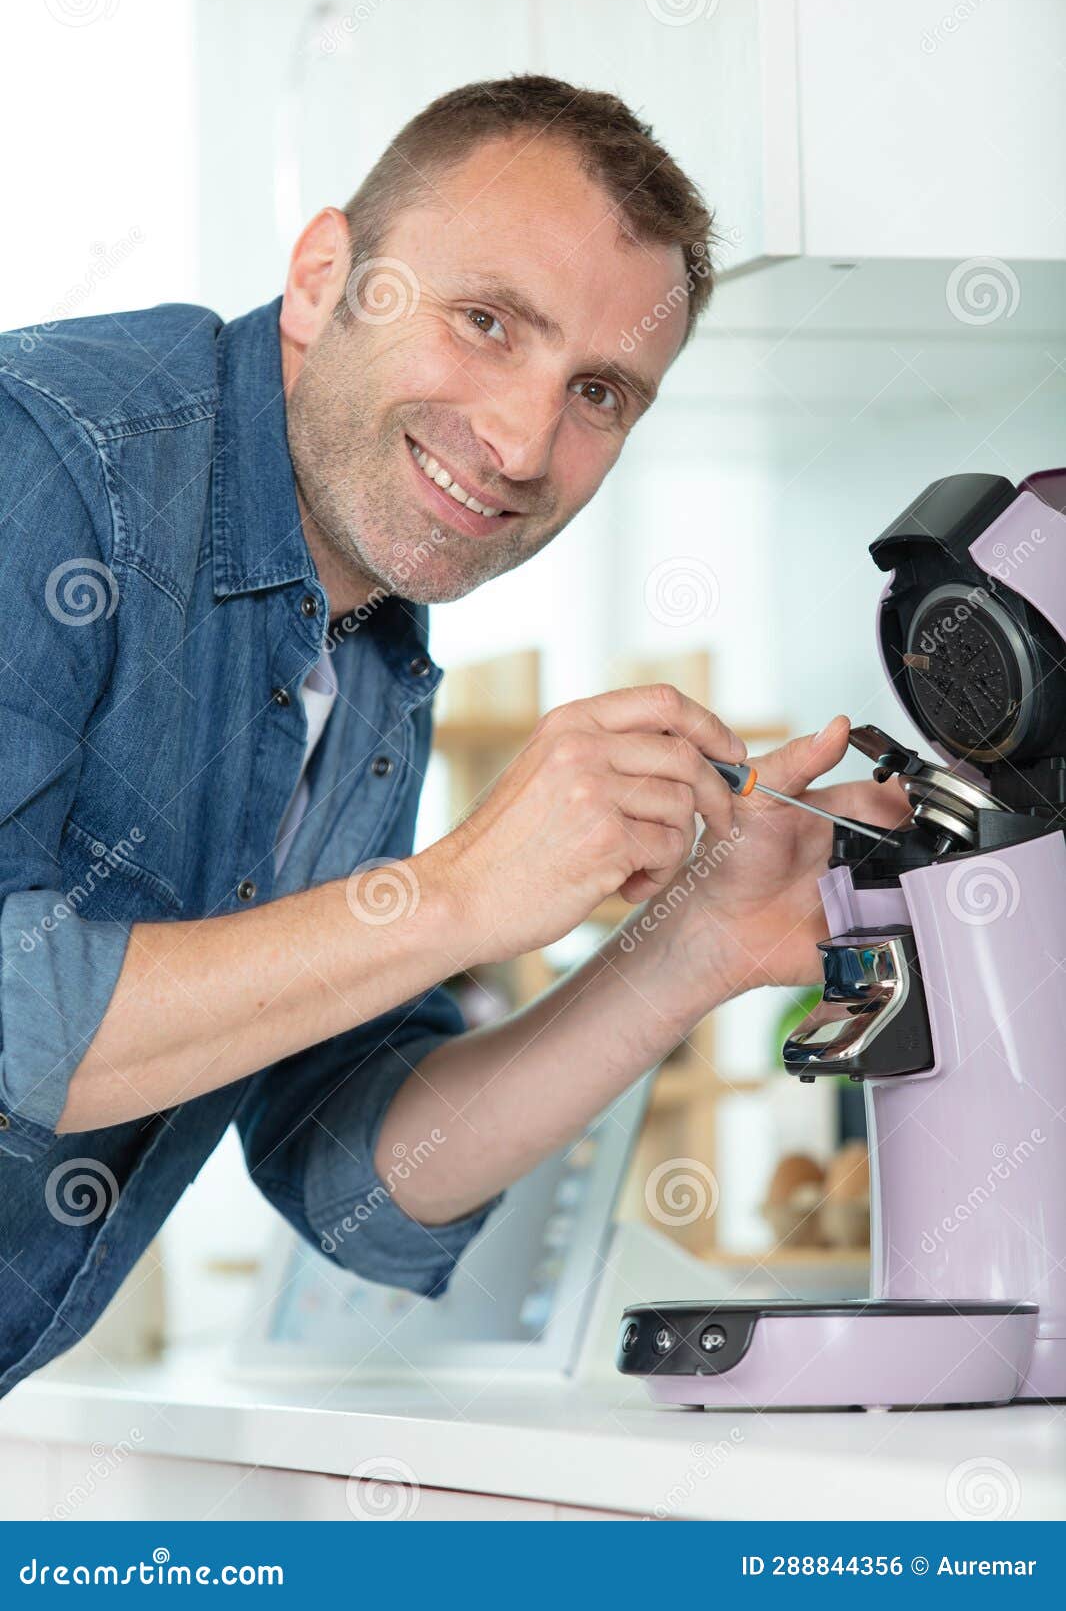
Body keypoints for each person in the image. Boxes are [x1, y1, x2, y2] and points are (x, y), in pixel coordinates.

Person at [0, 75, 904, 1395]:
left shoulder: (360, 649)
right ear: (322, 279)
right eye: (485, 321)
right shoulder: (48, 458)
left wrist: (682, 948)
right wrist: (458, 893)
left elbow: (356, 1180)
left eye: (599, 392)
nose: (522, 439)